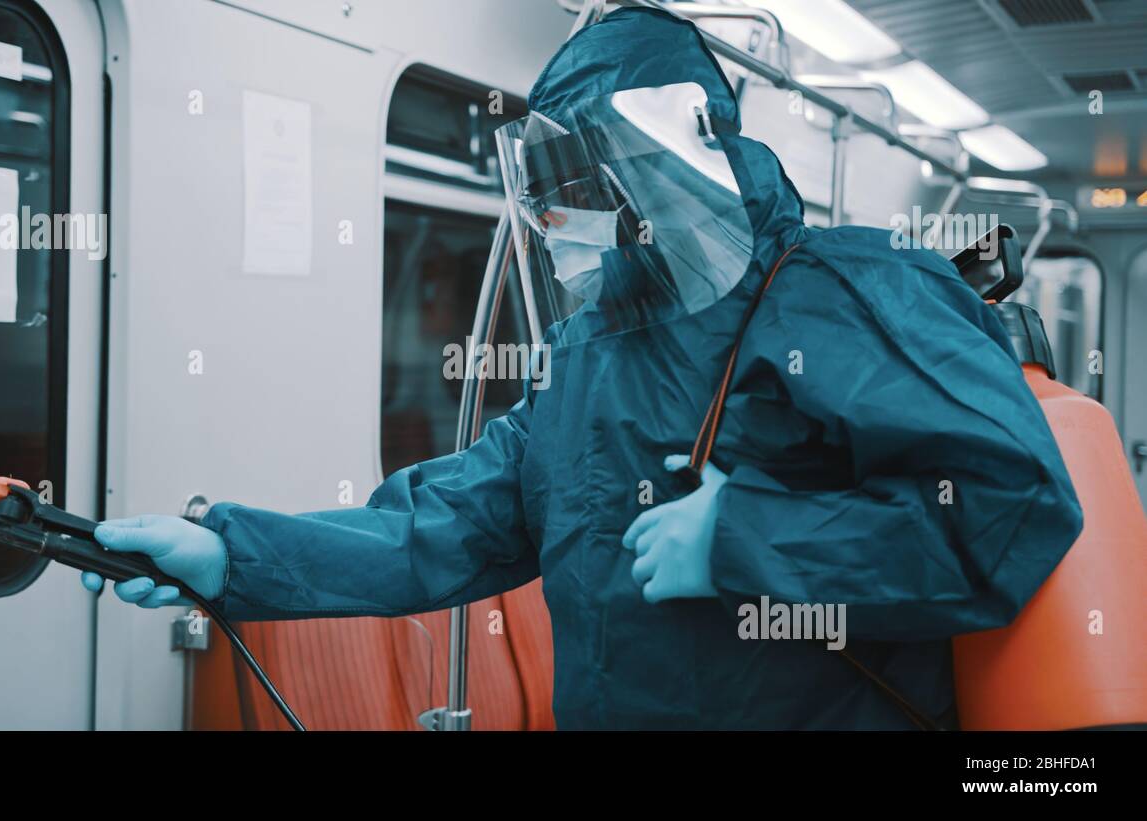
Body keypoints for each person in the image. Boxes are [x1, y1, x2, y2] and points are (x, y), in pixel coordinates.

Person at [82, 6, 1082, 729]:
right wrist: (230, 554)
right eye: (555, 183)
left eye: (589, 176)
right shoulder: (591, 349)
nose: (566, 218)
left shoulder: (839, 290)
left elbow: (1007, 510)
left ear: (663, 165)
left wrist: (743, 538)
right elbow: (451, 522)